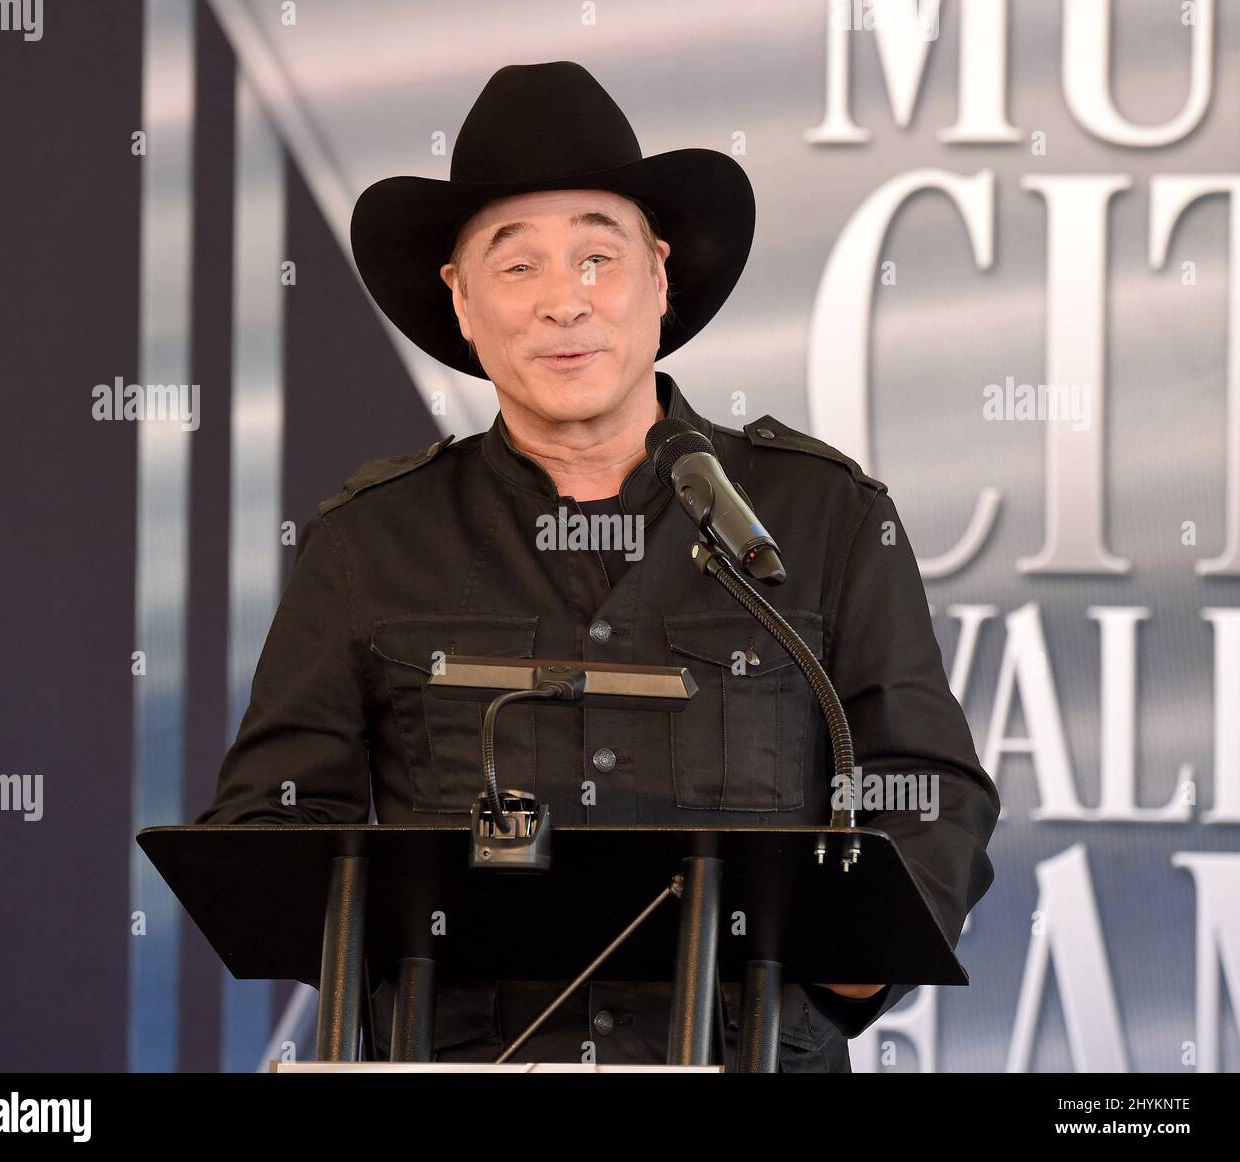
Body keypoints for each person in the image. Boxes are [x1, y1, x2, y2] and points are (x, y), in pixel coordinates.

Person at [195, 60, 1000, 1072]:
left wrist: (855, 954)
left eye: (596, 256)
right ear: (461, 300)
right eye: (516, 263)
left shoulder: (820, 516)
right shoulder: (366, 542)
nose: (563, 303)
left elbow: (924, 784)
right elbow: (267, 824)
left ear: (659, 276)